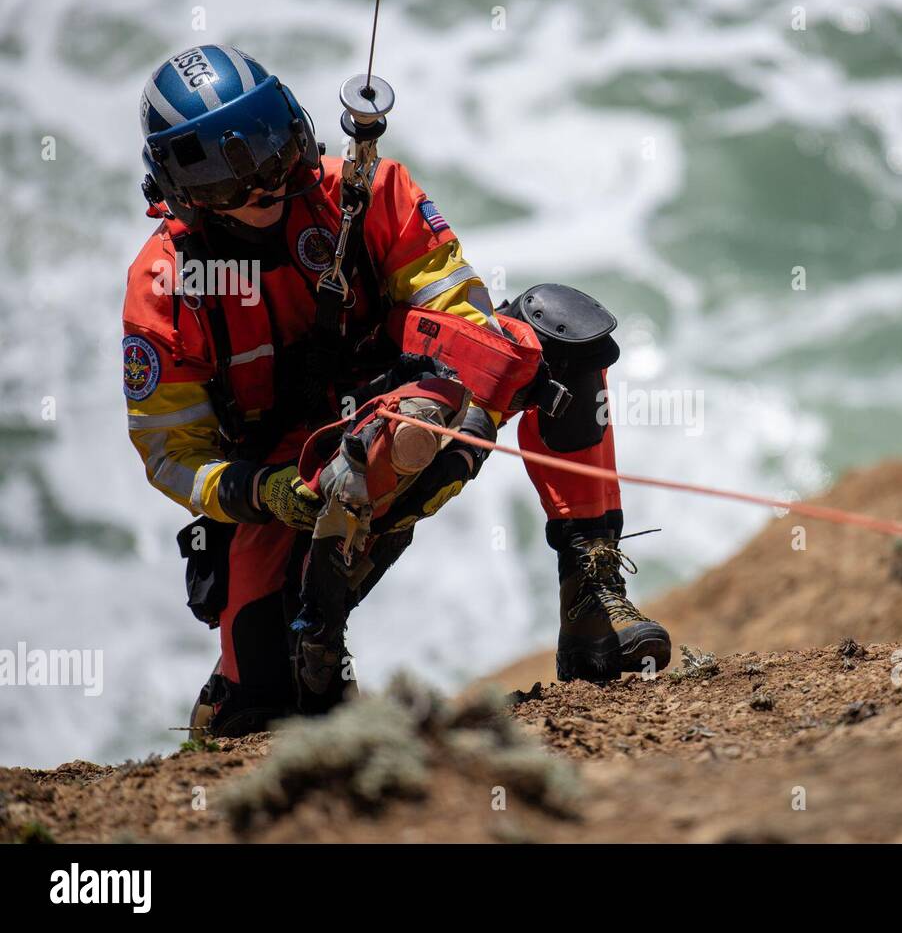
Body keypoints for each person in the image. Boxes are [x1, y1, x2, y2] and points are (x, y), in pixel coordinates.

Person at [123, 44, 670, 735]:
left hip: (414, 413)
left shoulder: (371, 193)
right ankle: (287, 662)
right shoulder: (164, 287)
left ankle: (595, 604)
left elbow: (461, 316)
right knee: (264, 712)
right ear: (175, 188)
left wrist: (442, 410)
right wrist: (266, 493)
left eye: (272, 155)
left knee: (563, 334)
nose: (261, 187)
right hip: (281, 493)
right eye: (228, 181)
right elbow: (170, 452)